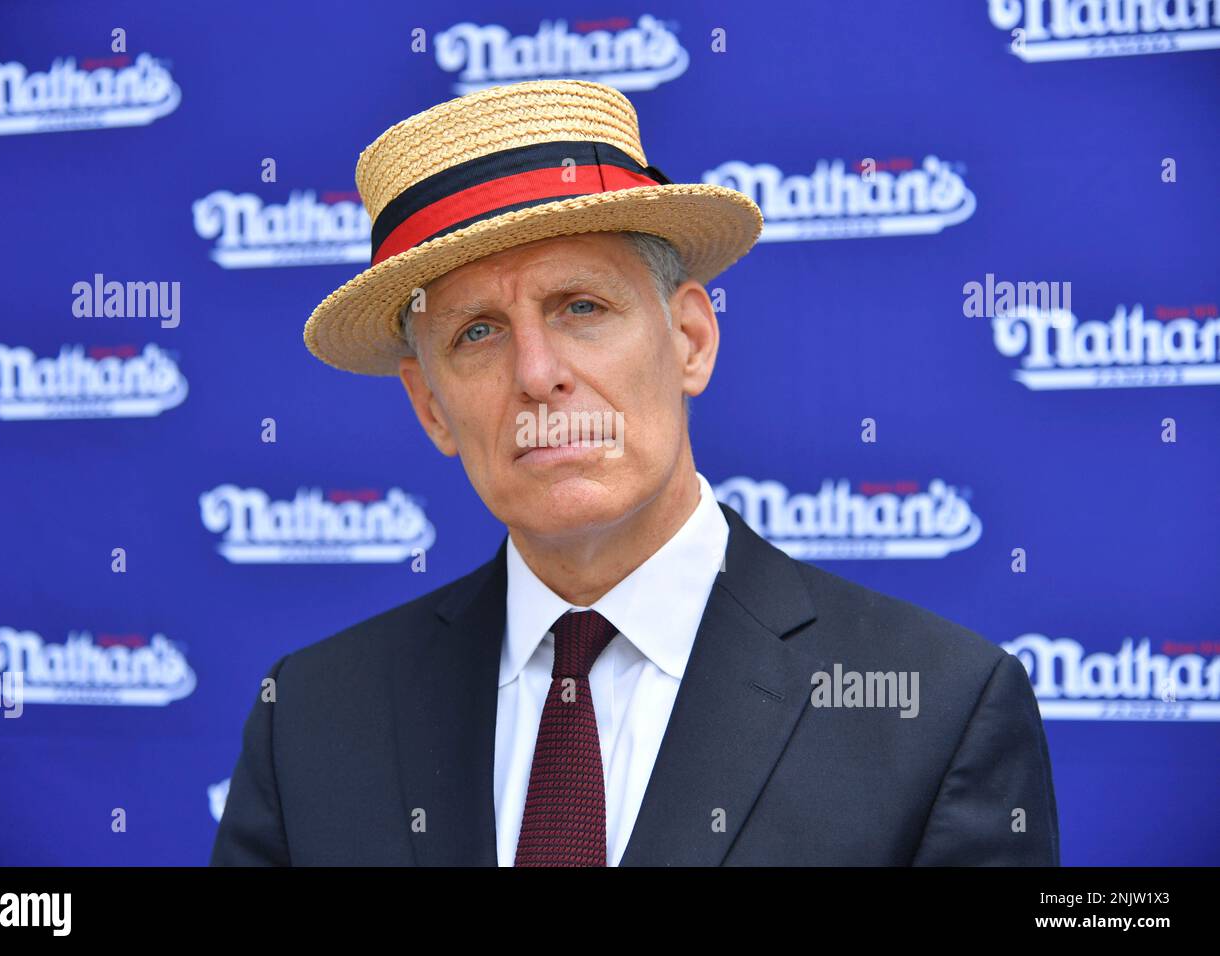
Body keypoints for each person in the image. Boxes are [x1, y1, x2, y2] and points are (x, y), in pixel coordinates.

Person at [210, 79, 1059, 866]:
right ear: (431, 406)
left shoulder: (937, 708)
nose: (537, 372)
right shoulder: (313, 716)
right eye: (476, 332)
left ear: (690, 338)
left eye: (581, 306)